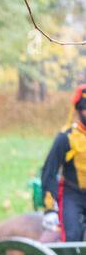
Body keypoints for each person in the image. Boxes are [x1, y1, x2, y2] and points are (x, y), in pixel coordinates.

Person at [40, 85, 86, 242]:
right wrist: (50, 208)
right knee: (72, 234)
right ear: (80, 111)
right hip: (72, 195)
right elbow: (49, 171)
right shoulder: (65, 138)